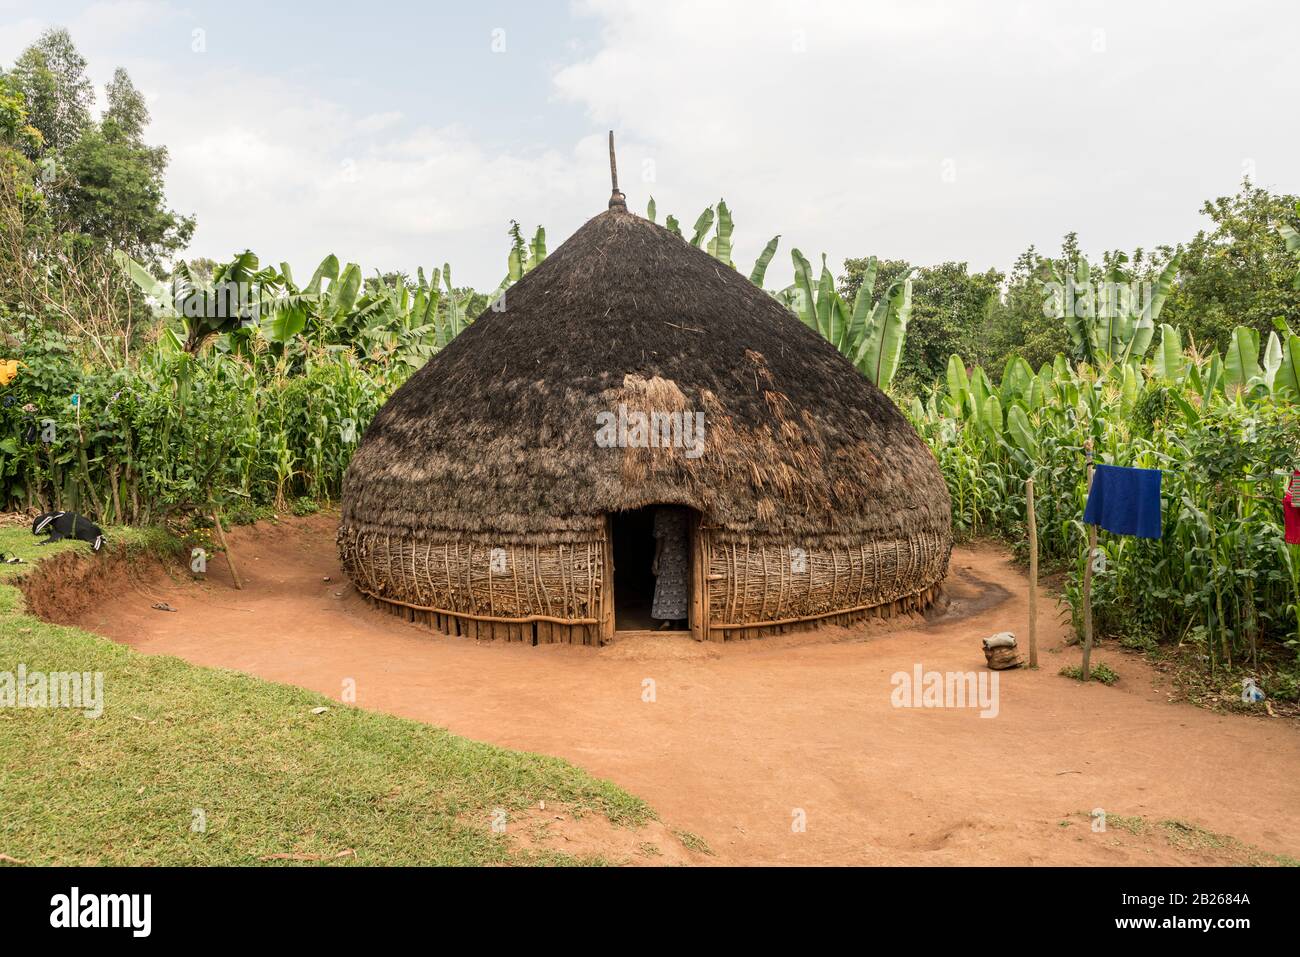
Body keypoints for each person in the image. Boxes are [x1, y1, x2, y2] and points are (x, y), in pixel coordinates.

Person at [651, 506, 689, 629]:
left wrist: (656, 558)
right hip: (682, 556)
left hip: (667, 555)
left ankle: (667, 620)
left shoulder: (661, 513)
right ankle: (678, 622)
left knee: (667, 586)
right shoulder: (684, 511)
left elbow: (660, 539)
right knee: (680, 588)